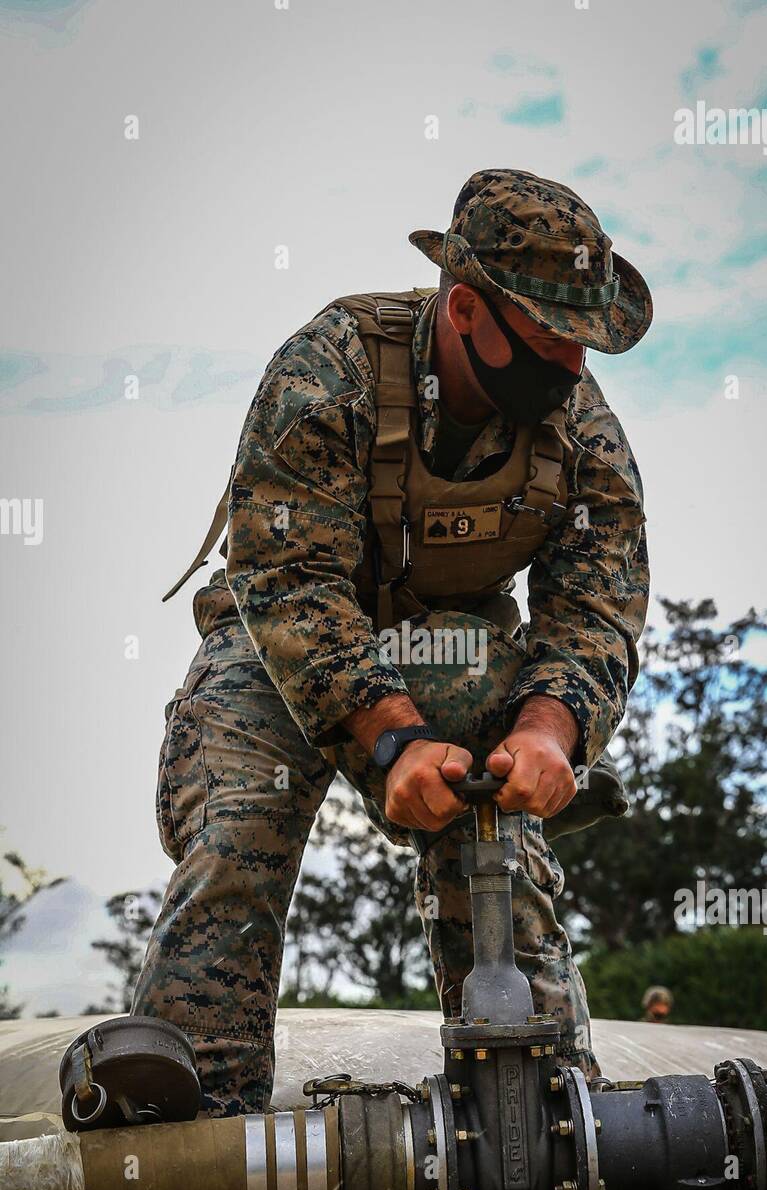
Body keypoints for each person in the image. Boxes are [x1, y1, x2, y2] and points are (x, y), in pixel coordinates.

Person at [131, 168, 652, 1124]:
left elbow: (596, 607)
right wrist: (392, 742)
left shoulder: (583, 431)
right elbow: (293, 587)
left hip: (452, 648)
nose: (571, 368)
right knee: (238, 835)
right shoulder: (324, 373)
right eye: (546, 337)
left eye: (581, 342)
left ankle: (540, 1133)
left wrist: (549, 734)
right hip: (282, 648)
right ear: (464, 310)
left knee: (499, 834)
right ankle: (187, 1159)